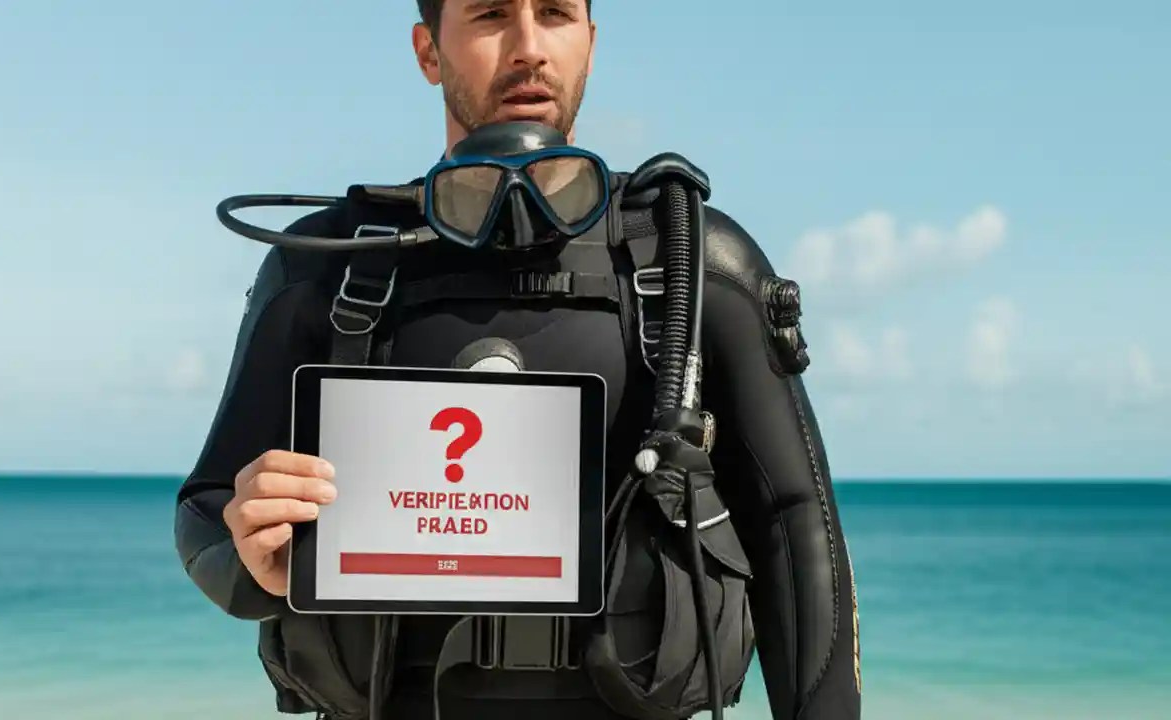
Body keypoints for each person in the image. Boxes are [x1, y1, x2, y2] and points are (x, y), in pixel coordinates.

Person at [173, 1, 863, 719]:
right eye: (492, 14)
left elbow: (795, 526)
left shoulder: (691, 262)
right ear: (428, 51)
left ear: (590, 45)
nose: (529, 46)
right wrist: (252, 553)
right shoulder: (330, 263)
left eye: (557, 13)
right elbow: (207, 507)